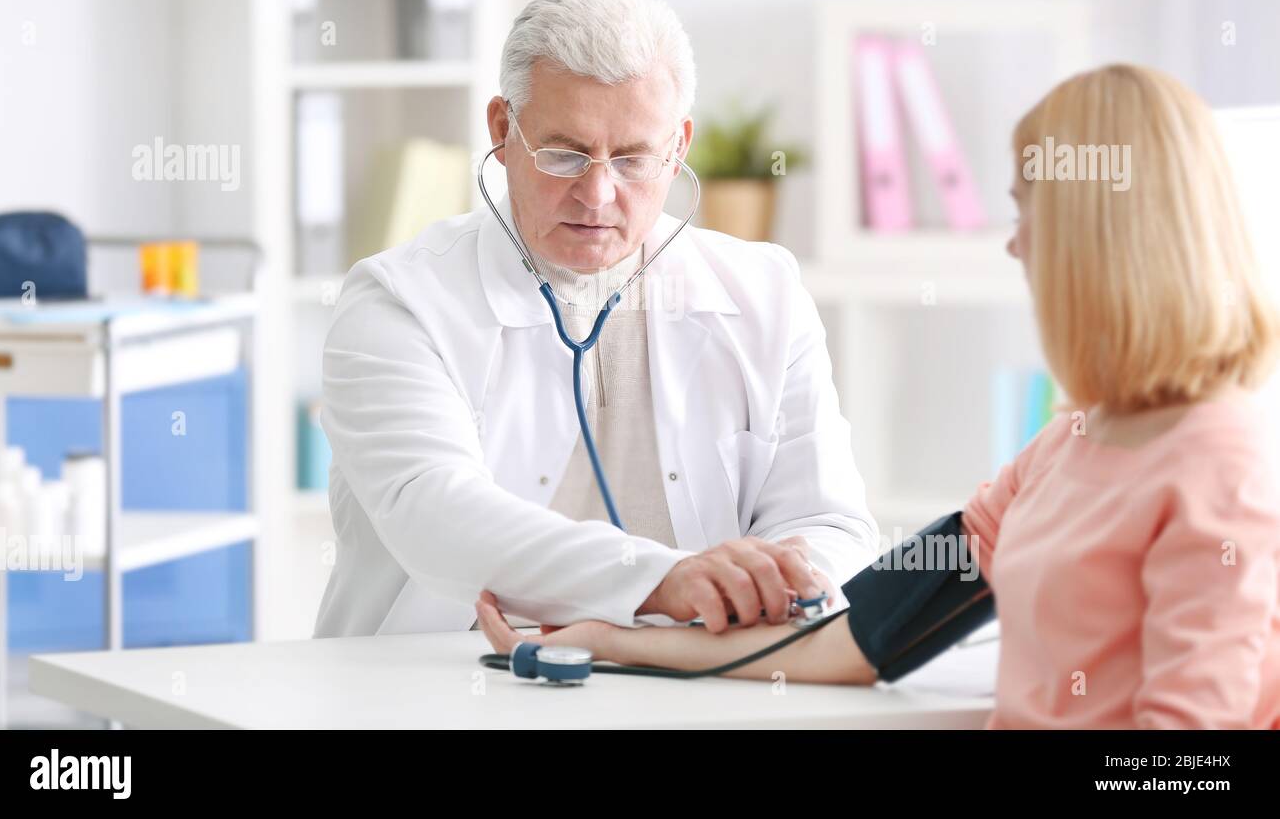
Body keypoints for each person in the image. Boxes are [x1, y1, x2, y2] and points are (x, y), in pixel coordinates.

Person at [477, 64, 1280, 729]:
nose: (1014, 241)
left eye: (1026, 212)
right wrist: (615, 638)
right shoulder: (1076, 440)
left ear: (1094, 240)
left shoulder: (1221, 466)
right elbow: (865, 634)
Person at [314, 0, 878, 637]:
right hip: (447, 691)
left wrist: (775, 588)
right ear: (503, 129)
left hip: (692, 685)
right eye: (564, 153)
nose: (599, 193)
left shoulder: (764, 294)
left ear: (680, 146)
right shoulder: (400, 303)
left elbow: (831, 524)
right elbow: (435, 513)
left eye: (635, 158)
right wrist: (665, 583)